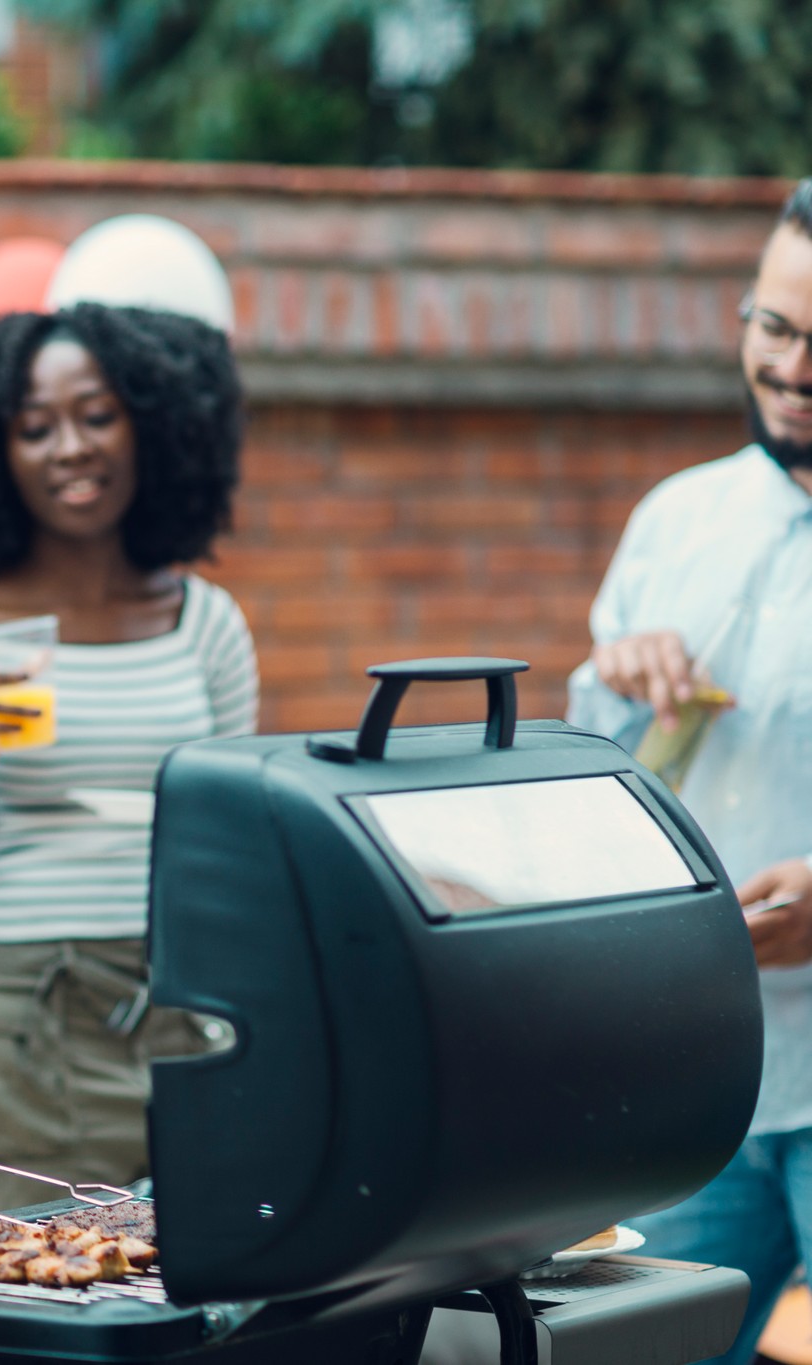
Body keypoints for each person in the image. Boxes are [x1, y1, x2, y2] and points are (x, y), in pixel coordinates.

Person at [0, 304, 257, 1211]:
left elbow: (229, 835)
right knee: (48, 1290)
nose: (71, 446)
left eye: (98, 415)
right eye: (35, 427)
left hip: (184, 1007)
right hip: (23, 1022)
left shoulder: (207, 624)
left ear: (151, 427)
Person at [569, 178, 812, 1365]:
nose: (792, 367)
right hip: (698, 1081)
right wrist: (619, 684)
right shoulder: (676, 519)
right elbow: (589, 788)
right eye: (772, 327)